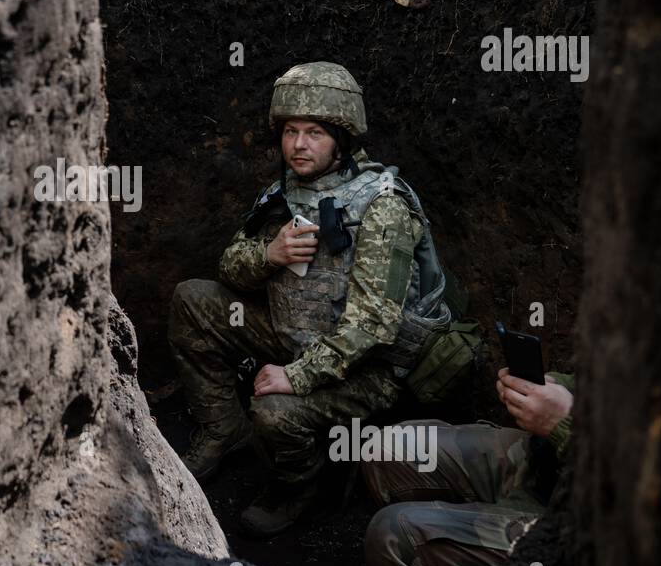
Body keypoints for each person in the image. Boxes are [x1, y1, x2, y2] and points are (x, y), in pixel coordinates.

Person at [168, 61, 453, 537]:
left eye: (315, 132)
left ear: (340, 138)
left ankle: (300, 483)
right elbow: (229, 269)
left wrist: (295, 377)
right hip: (290, 332)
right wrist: (270, 255)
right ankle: (224, 429)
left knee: (275, 413)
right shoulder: (286, 191)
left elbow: (371, 327)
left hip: (366, 372)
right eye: (291, 131)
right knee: (192, 300)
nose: (299, 144)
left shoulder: (382, 205)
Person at [361, 370, 574, 566]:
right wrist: (546, 389)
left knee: (394, 533)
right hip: (548, 466)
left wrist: (563, 424)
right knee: (386, 449)